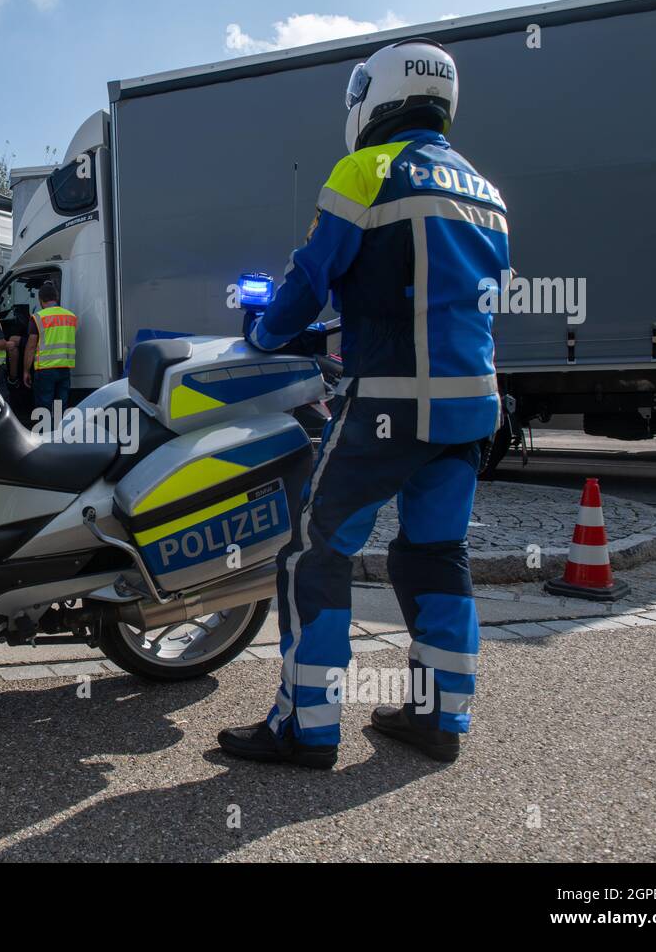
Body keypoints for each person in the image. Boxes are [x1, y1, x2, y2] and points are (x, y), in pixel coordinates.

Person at [218, 38, 510, 769]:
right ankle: (439, 718)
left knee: (314, 551)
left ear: (376, 95)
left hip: (389, 401)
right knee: (437, 553)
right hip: (472, 404)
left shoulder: (366, 170)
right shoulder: (484, 188)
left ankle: (306, 727)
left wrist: (267, 330)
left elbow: (309, 277)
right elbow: (439, 298)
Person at [22, 281, 76, 415]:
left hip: (45, 370)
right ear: (56, 297)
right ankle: (59, 435)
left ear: (40, 300)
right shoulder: (71, 317)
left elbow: (31, 347)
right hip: (64, 369)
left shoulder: (38, 318)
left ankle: (45, 435)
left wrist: (26, 371)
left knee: (44, 410)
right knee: (60, 409)